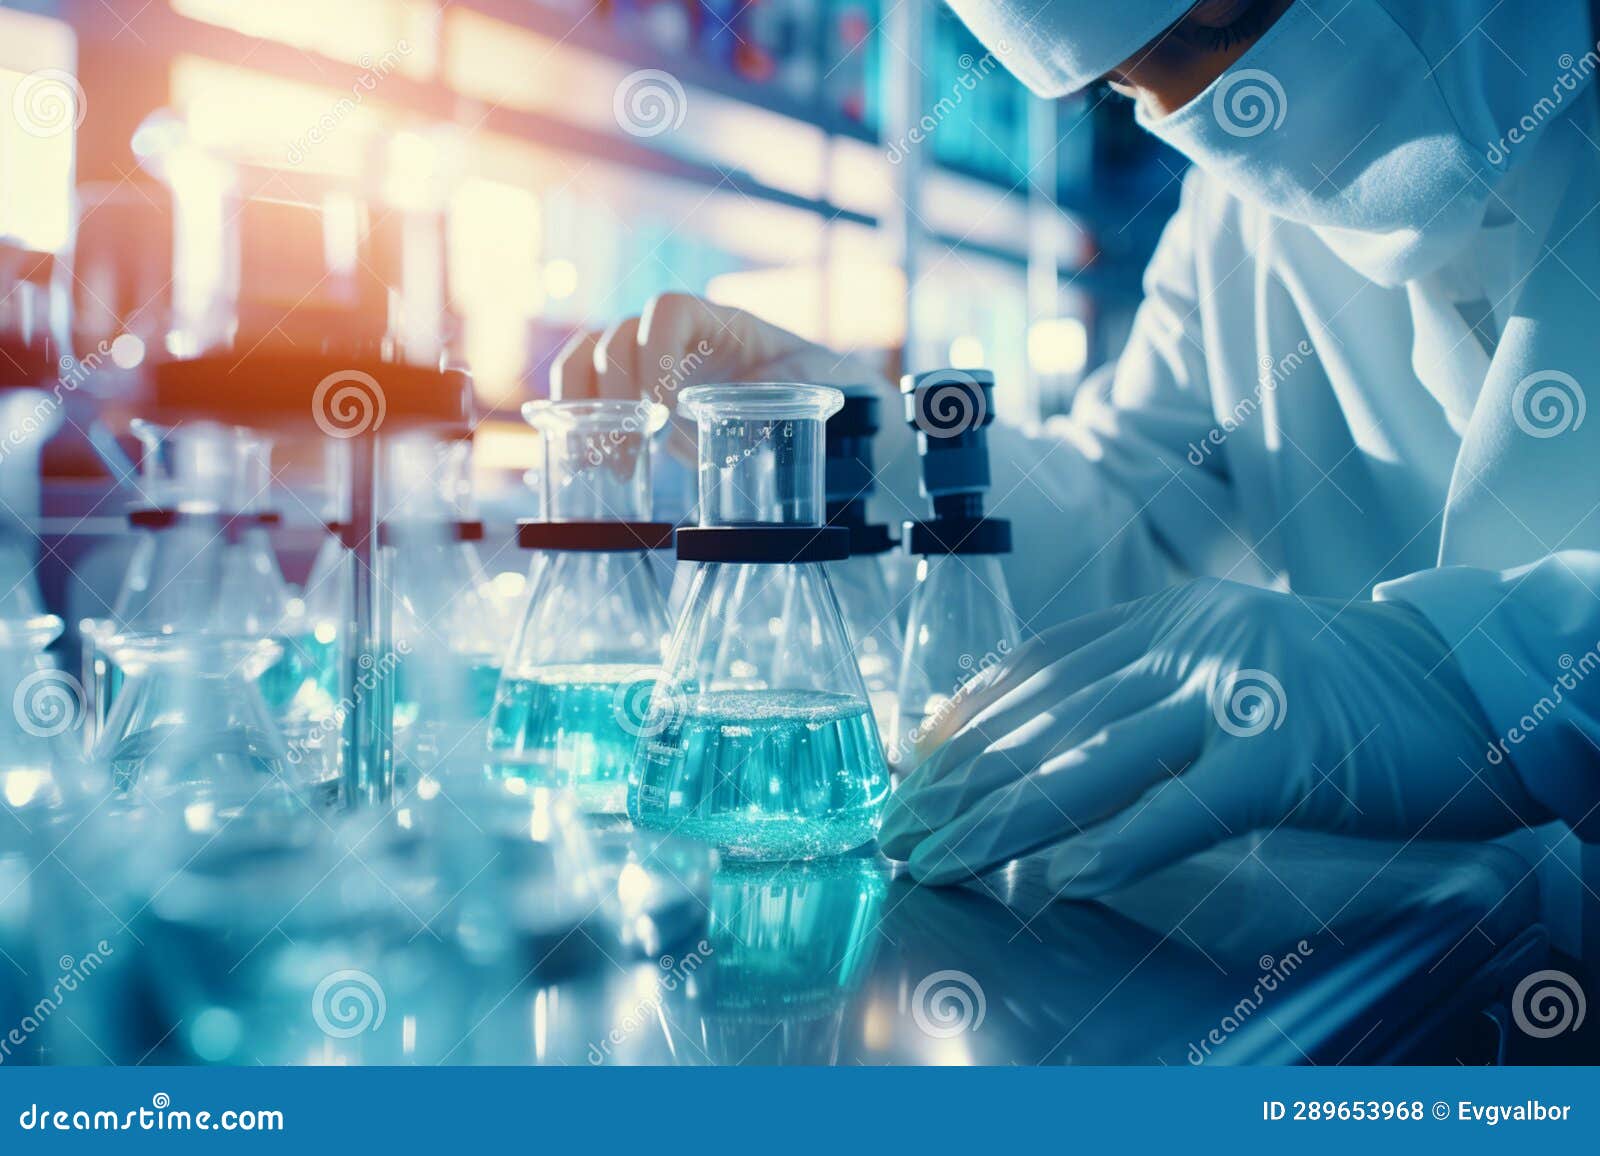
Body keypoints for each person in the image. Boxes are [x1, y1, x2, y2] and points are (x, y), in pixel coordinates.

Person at [556, 0, 1600, 956]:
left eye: (1220, 19)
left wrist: (1484, 683)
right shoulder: (1233, 217)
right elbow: (1125, 529)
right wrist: (848, 438)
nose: (1212, 105)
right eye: (1130, 79)